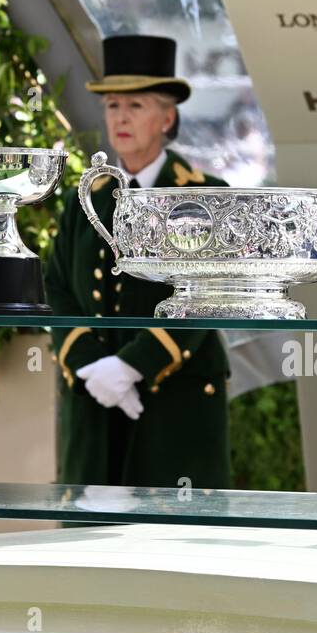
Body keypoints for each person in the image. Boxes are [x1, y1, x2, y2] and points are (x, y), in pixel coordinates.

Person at [46, 34, 231, 490]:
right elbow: (57, 286)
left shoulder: (203, 194)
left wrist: (131, 366)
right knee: (90, 540)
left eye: (136, 106)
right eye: (112, 107)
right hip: (93, 397)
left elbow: (209, 295)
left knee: (171, 543)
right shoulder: (89, 197)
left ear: (167, 117)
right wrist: (90, 366)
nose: (121, 118)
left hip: (174, 400)